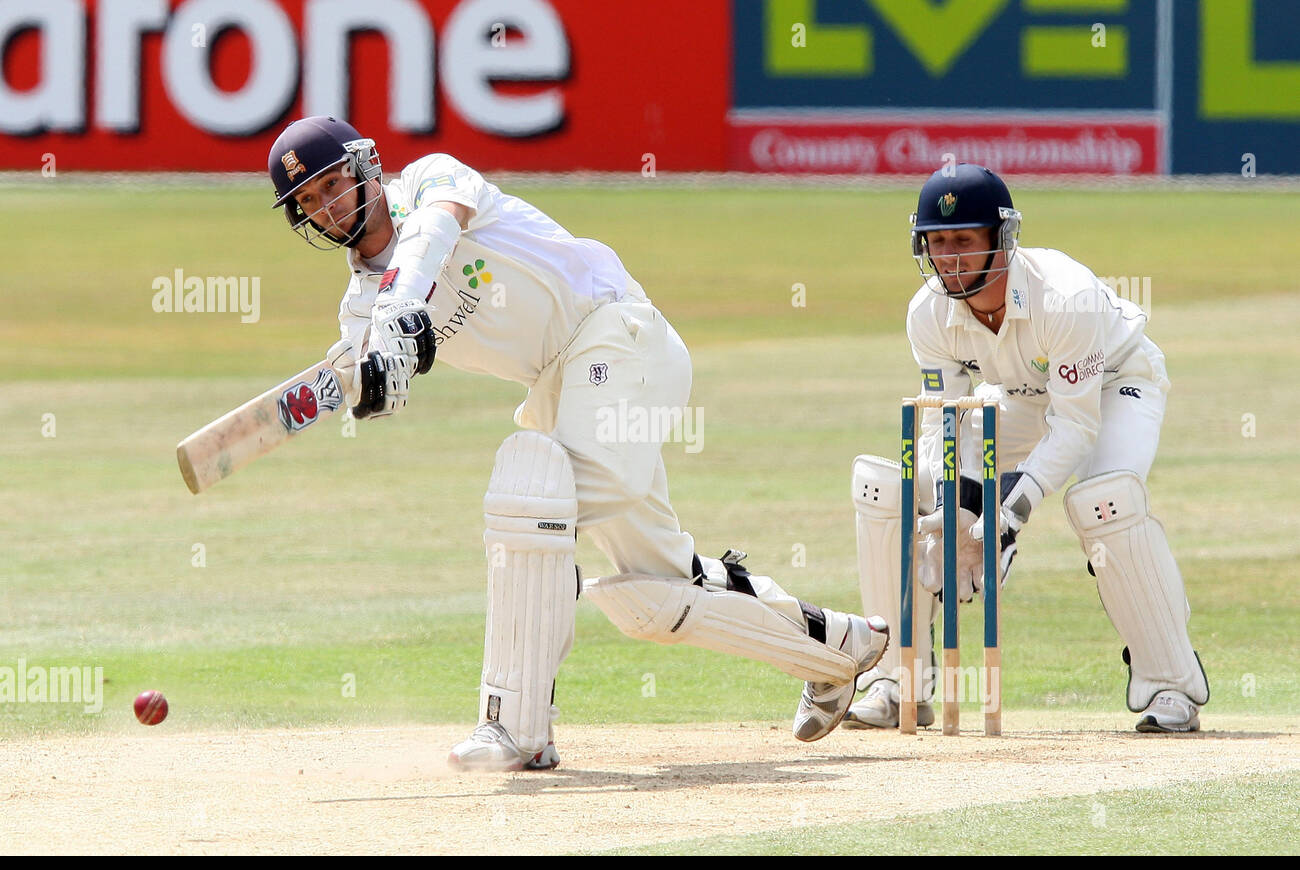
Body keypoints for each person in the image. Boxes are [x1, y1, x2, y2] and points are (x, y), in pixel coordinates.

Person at [265, 115, 889, 770]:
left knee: (529, 510)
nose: (327, 209)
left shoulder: (430, 183)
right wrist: (375, 387)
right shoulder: (360, 307)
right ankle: (840, 648)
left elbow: (434, 231)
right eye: (307, 203)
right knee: (654, 594)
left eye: (332, 185)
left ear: (365, 167)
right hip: (561, 390)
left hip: (615, 334)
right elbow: (371, 377)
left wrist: (401, 309)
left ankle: (517, 725)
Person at [848, 163, 1207, 734]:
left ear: (1002, 238)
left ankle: (1172, 683)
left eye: (965, 240)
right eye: (938, 242)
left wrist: (1012, 508)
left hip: (1114, 384)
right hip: (1017, 394)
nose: (951, 257)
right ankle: (896, 679)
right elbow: (945, 416)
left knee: (1102, 503)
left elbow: (1077, 424)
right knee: (895, 485)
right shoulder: (928, 313)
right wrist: (958, 500)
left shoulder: (1064, 296)